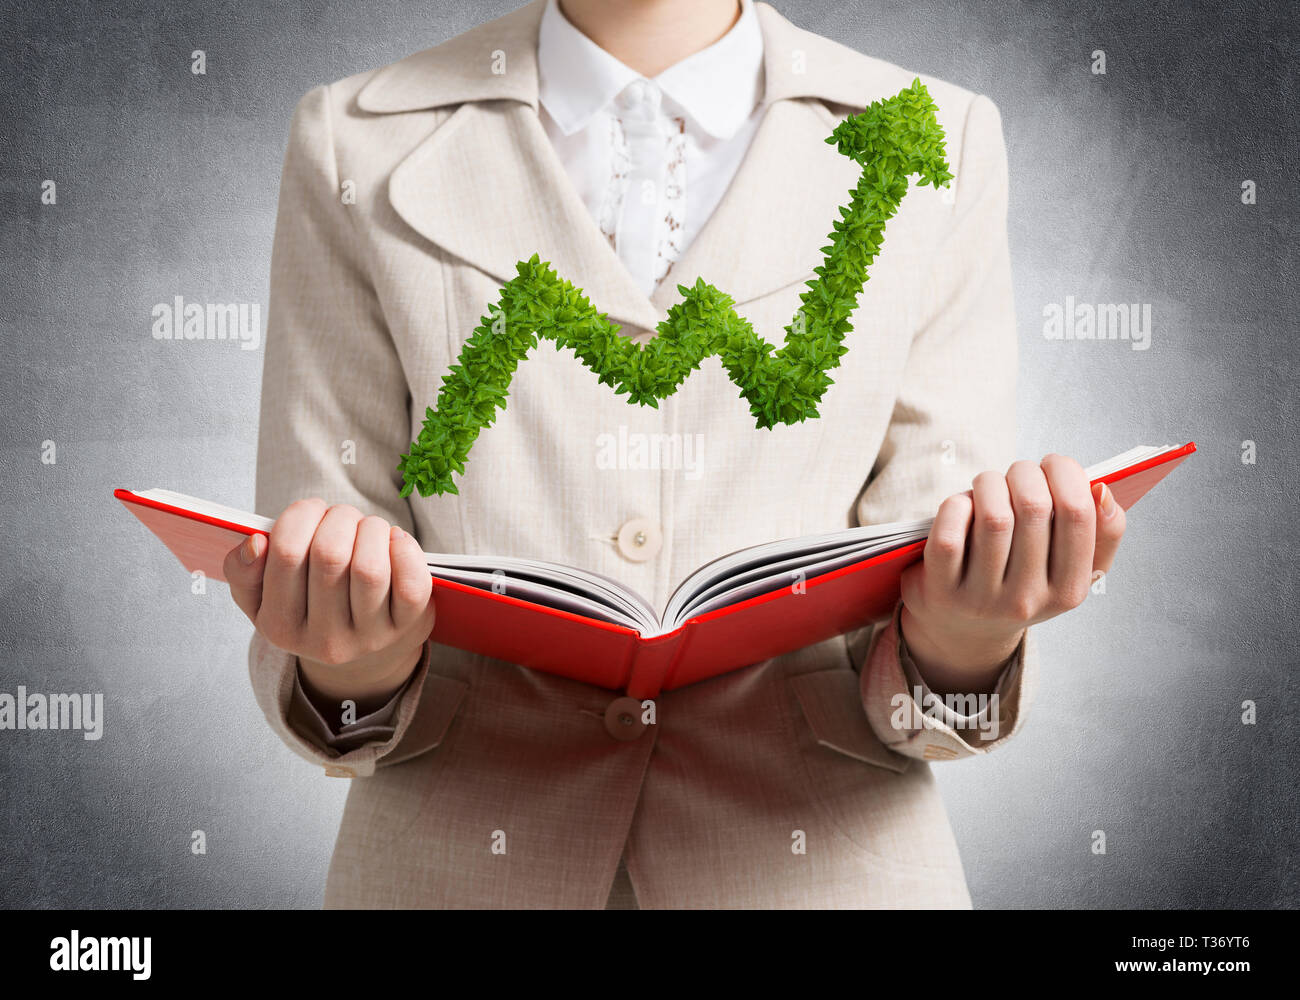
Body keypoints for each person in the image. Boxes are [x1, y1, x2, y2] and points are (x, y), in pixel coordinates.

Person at [222, 0, 1126, 908]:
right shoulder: (352, 138)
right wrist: (351, 667)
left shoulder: (939, 138)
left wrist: (967, 641)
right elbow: (323, 616)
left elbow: (928, 691)